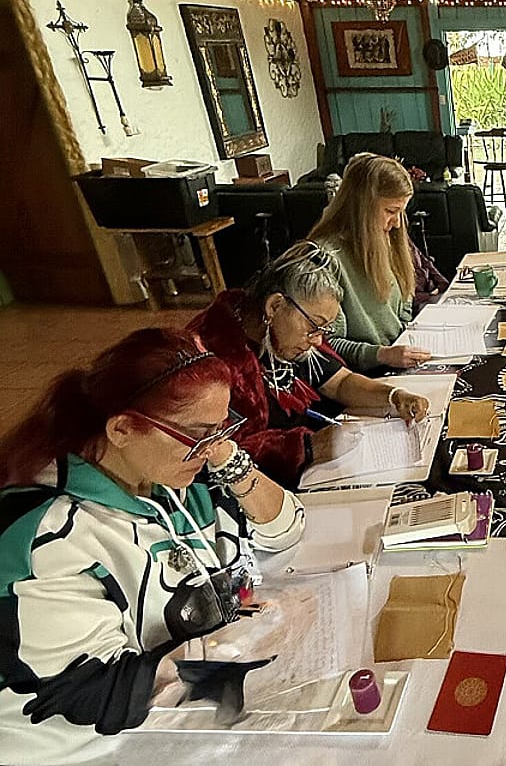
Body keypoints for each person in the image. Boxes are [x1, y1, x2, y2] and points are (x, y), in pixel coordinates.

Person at [0, 328, 305, 764]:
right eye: (200, 434)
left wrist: (229, 461)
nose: (213, 448)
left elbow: (284, 534)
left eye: (221, 429)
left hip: (174, 717)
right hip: (85, 748)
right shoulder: (46, 534)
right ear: (123, 428)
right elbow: (95, 692)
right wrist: (233, 645)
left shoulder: (170, 479)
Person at [188, 242, 430, 489]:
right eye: (313, 327)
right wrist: (307, 447)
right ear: (275, 305)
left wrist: (394, 397)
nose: (318, 341)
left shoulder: (282, 336)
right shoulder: (214, 358)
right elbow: (216, 453)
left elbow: (339, 382)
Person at [308, 153, 432, 372]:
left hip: (398, 360)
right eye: (391, 211)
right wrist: (382, 354)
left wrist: (404, 332)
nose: (396, 223)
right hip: (364, 375)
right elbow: (326, 344)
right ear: (362, 207)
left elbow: (405, 295)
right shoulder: (326, 259)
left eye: (401, 212)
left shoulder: (386, 237)